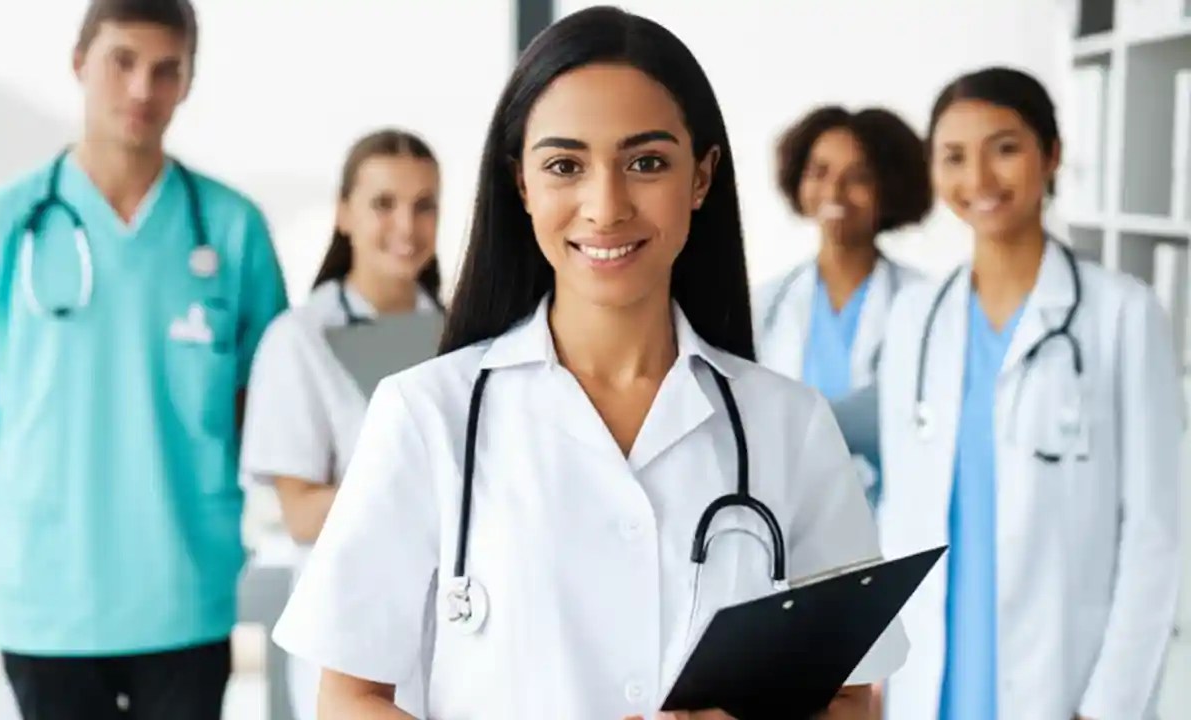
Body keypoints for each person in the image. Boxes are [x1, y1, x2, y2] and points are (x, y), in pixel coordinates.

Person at [271, 6, 907, 719]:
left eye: (646, 163)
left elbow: (854, 698)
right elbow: (349, 695)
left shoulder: (789, 426)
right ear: (521, 183)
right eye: (565, 166)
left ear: (702, 177)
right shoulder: (427, 414)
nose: (605, 207)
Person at [0, 1, 287, 718]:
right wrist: (39, 509)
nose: (142, 90)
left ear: (187, 82)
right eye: (122, 61)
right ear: (79, 62)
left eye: (165, 69)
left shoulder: (233, 230)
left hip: (185, 592)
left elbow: (263, 408)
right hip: (49, 598)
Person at [876, 66, 1183, 719]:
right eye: (954, 157)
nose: (979, 180)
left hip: (1067, 687)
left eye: (1005, 148)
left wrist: (1109, 705)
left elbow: (1155, 533)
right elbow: (901, 515)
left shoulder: (1123, 315)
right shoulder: (914, 320)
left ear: (1052, 155)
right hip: (933, 678)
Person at [240, 128, 444, 720]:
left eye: (424, 205)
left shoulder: (464, 339)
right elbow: (302, 514)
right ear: (344, 212)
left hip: (455, 632)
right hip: (352, 635)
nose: (406, 226)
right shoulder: (298, 341)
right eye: (384, 203)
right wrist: (427, 487)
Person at [753, 106, 932, 510]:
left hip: (888, 519)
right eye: (819, 173)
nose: (834, 193)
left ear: (889, 188)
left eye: (858, 178)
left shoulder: (926, 306)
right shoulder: (766, 306)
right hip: (788, 518)